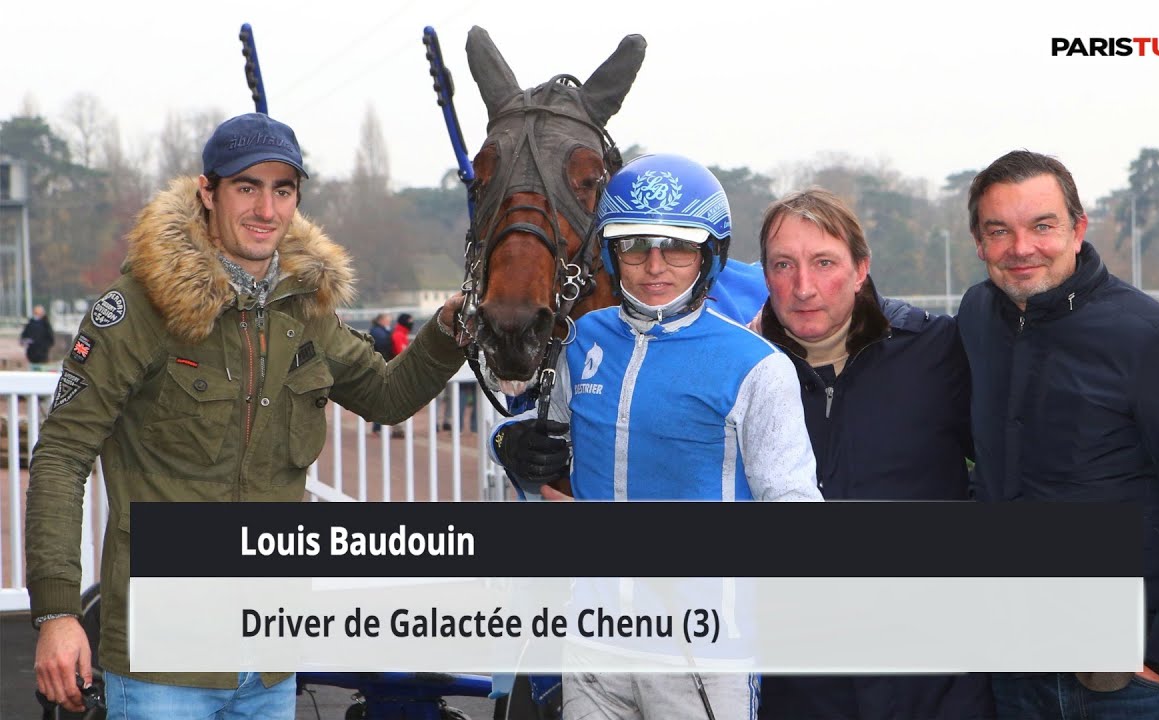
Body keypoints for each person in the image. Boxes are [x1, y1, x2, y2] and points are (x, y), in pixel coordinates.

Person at [25, 112, 468, 719]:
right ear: (207, 193)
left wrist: (451, 327)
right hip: (166, 662)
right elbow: (61, 456)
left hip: (268, 656)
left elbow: (387, 397)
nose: (266, 209)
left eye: (282, 190)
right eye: (247, 187)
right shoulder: (137, 310)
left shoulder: (304, 311)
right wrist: (56, 613)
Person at [490, 153, 821, 720]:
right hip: (592, 640)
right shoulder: (583, 337)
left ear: (710, 254)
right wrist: (513, 447)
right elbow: (550, 445)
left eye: (678, 247)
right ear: (610, 253)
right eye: (635, 245)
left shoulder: (757, 366)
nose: (654, 265)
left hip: (702, 652)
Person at [957, 150, 1159, 719]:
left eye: (1043, 226)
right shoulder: (977, 316)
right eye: (1000, 231)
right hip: (1014, 655)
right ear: (978, 241)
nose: (1022, 248)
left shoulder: (1152, 339)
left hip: (1126, 675)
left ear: (1078, 228)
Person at [753, 188, 993, 719]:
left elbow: (1016, 465)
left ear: (861, 268)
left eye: (824, 263)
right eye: (783, 265)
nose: (804, 287)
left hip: (935, 676)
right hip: (795, 680)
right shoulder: (740, 371)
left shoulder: (939, 351)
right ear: (765, 274)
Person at [370, 313, 394, 433]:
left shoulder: (378, 330)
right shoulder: (378, 332)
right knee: (381, 397)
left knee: (381, 397)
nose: (389, 322)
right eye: (387, 320)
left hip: (382, 364)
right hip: (380, 366)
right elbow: (384, 344)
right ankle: (378, 426)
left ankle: (379, 426)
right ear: (381, 320)